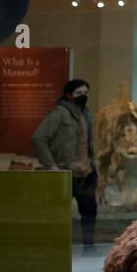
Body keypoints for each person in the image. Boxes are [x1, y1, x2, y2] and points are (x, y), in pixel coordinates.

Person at [31, 79, 98, 246]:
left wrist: (93, 163)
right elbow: (38, 138)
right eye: (78, 93)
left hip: (86, 172)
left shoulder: (87, 114)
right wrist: (51, 166)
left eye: (85, 93)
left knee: (89, 213)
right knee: (58, 214)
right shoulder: (59, 113)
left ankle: (88, 248)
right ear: (68, 95)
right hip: (65, 172)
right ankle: (55, 249)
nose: (83, 96)